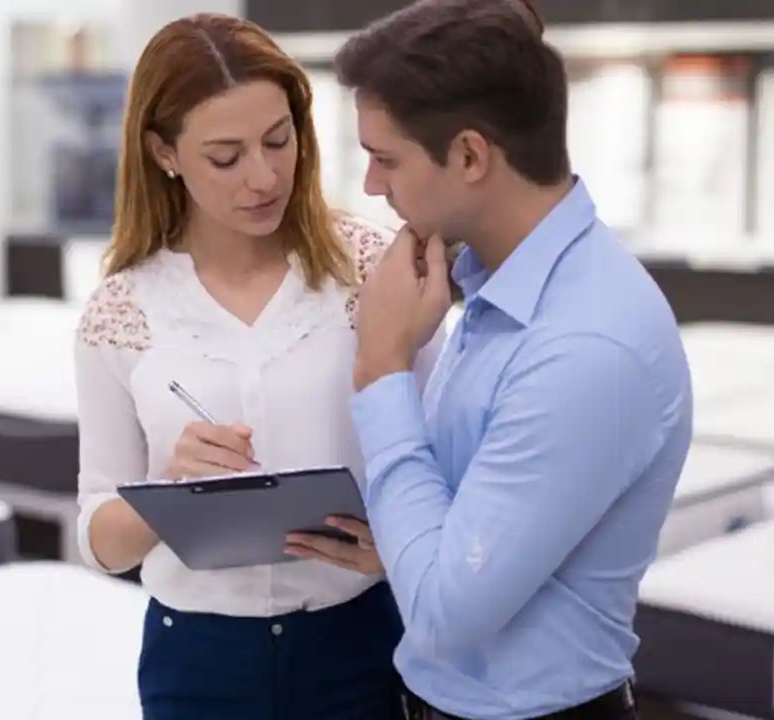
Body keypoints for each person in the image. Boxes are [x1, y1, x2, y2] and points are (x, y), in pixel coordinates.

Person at [73, 13, 443, 720]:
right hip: (196, 663)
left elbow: (452, 456)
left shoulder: (374, 266)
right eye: (226, 157)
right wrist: (168, 490)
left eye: (279, 140)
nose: (264, 177)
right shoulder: (120, 312)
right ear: (164, 152)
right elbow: (100, 542)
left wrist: (400, 550)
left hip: (362, 641)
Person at [333, 1, 694, 719]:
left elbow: (442, 613)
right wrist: (405, 545)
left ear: (470, 156)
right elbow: (467, 541)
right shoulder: (495, 290)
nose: (373, 185)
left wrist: (382, 366)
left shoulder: (586, 345)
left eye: (387, 158)